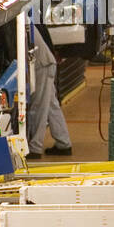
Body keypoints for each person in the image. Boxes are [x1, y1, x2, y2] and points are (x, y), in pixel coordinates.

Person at [25, 22, 72, 160]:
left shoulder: (20, 22)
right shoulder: (26, 19)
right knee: (51, 106)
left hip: (42, 65)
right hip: (46, 62)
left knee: (39, 105)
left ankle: (35, 148)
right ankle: (64, 144)